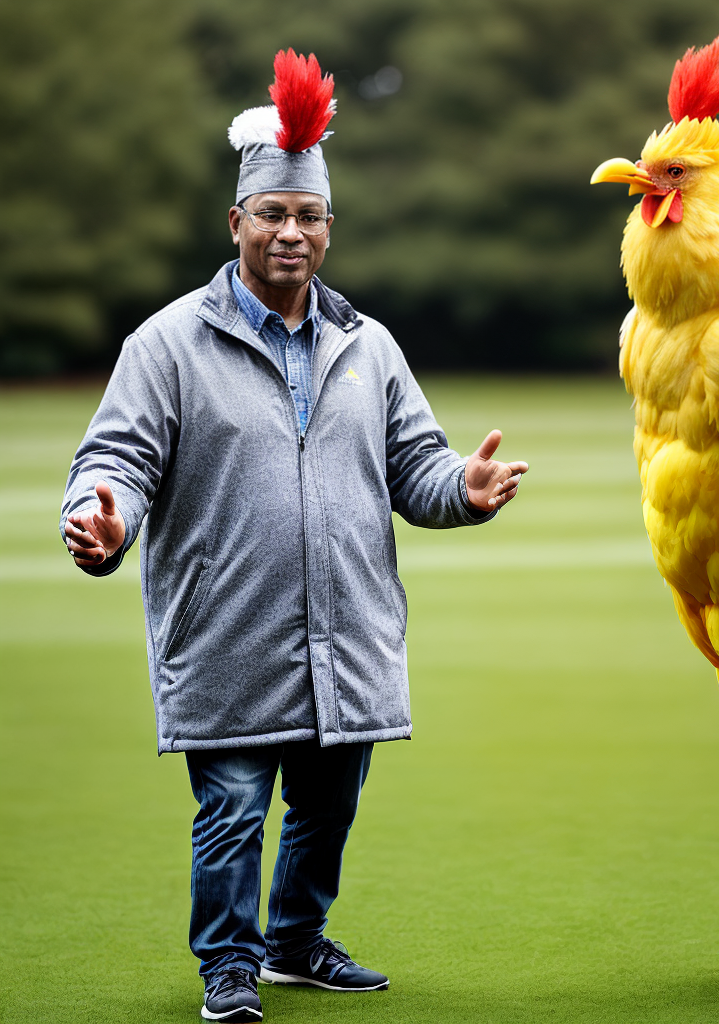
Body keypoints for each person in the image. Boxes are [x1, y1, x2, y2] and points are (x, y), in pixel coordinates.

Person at [59, 50, 527, 1024]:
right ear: (236, 222)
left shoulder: (370, 345)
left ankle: (294, 943)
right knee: (233, 808)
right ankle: (229, 967)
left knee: (326, 806)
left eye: (308, 215)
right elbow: (117, 461)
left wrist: (464, 490)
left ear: (328, 229)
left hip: (347, 634)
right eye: (271, 213)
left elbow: (416, 468)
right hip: (227, 632)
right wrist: (104, 519)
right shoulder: (166, 345)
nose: (290, 231)